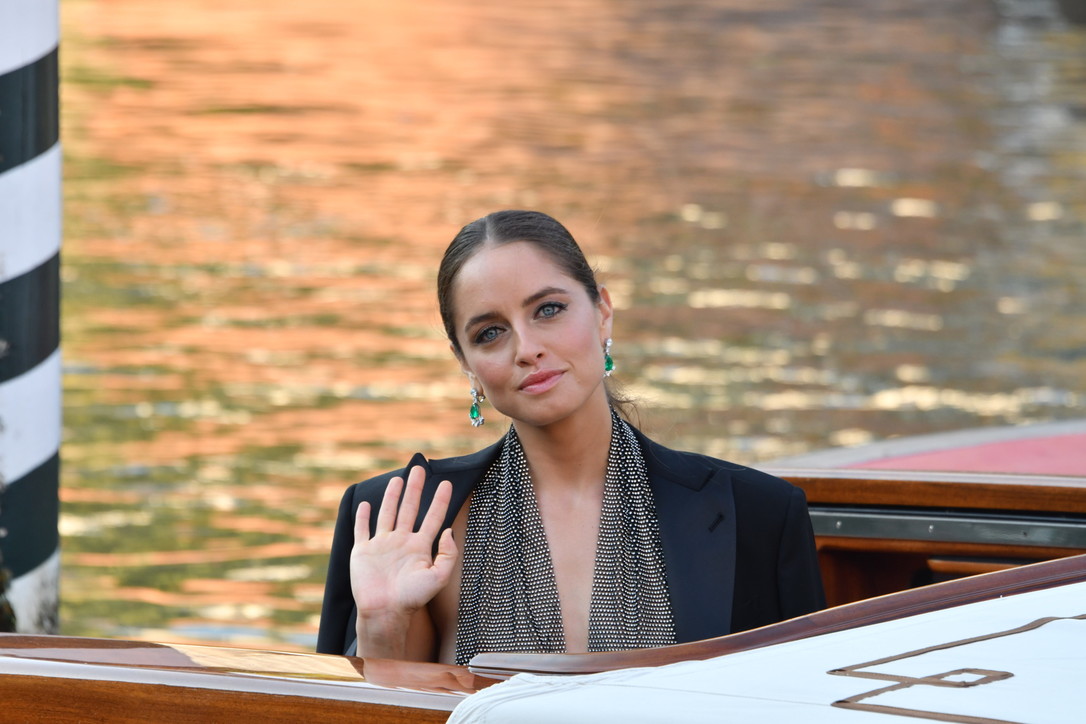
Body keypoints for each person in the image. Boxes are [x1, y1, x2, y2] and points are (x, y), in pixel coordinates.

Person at [317, 210, 825, 664]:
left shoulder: (758, 515)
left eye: (548, 310)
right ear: (465, 363)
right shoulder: (401, 522)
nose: (527, 348)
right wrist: (381, 624)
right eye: (490, 333)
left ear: (602, 311)